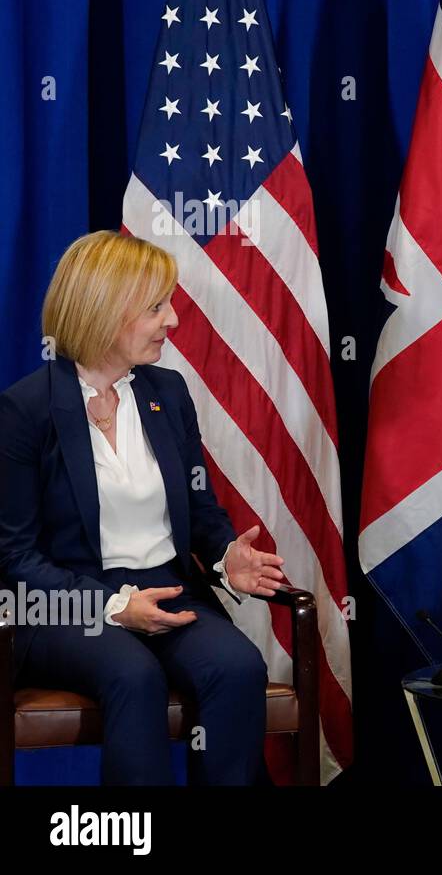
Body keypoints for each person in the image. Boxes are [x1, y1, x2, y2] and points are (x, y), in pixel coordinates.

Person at [0, 230, 287, 784]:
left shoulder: (168, 392)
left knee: (237, 667)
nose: (173, 320)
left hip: (170, 589)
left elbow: (201, 512)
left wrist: (228, 559)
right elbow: (14, 556)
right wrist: (115, 607)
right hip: (70, 605)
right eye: (156, 307)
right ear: (104, 310)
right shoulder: (24, 411)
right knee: (133, 674)